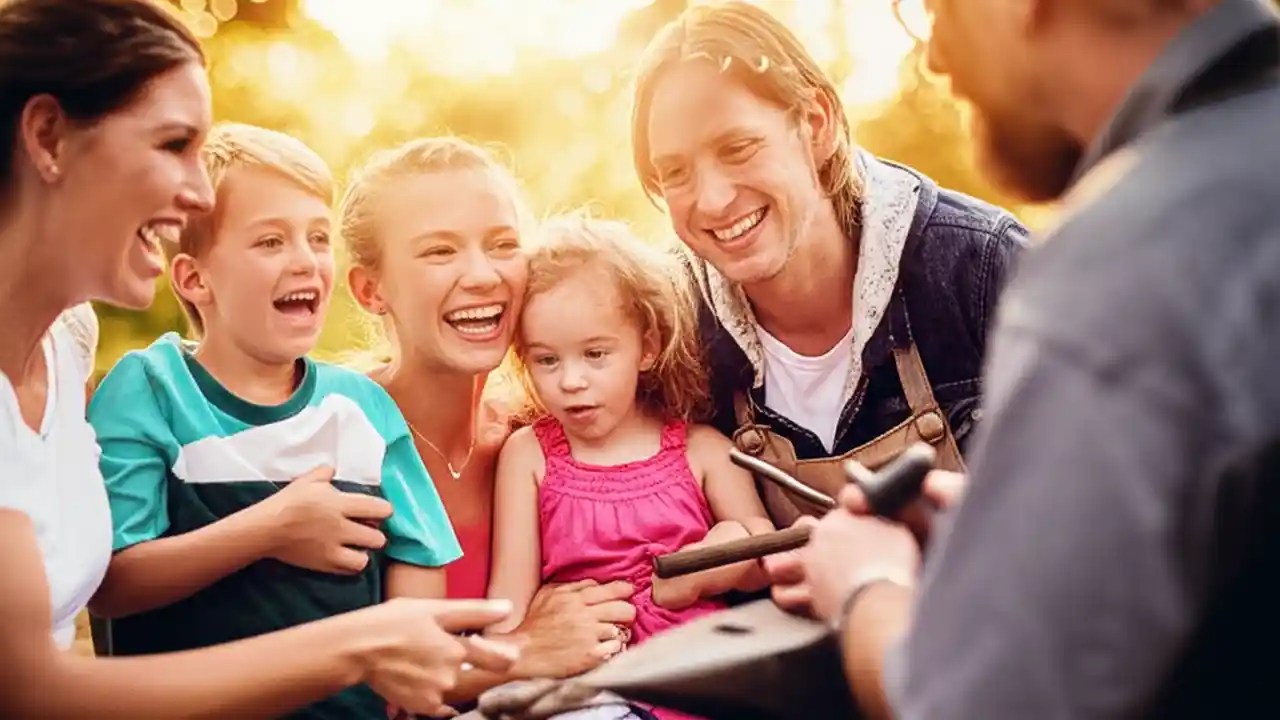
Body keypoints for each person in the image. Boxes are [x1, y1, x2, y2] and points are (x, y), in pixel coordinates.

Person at [767, 0, 1280, 718]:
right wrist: (1027, 525)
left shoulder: (1126, 259)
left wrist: (866, 586)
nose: (935, 56)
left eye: (937, 9)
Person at [0, 2, 513, 718]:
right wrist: (357, 641)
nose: (199, 194)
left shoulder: (65, 342)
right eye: (173, 144)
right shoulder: (141, 387)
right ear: (49, 137)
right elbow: (29, 689)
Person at [86, 122, 465, 718]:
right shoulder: (149, 390)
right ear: (194, 278)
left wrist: (405, 685)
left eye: (318, 238)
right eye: (270, 242)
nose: (306, 261)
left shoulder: (359, 408)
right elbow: (112, 583)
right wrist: (272, 529)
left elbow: (420, 555)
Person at [630, 0, 1026, 529]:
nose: (712, 200)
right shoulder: (668, 327)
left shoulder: (982, 270)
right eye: (675, 172)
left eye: (739, 147)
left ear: (816, 124)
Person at [341, 137, 639, 706]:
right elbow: (326, 686)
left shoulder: (544, 440)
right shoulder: (332, 443)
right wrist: (519, 652)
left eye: (503, 244)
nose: (482, 275)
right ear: (370, 289)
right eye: (439, 252)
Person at [487, 215, 775, 720]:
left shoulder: (701, 451)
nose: (571, 380)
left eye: (595, 354)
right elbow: (505, 617)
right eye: (546, 360)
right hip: (588, 686)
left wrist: (699, 570)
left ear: (647, 347)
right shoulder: (529, 455)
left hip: (695, 679)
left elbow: (763, 560)